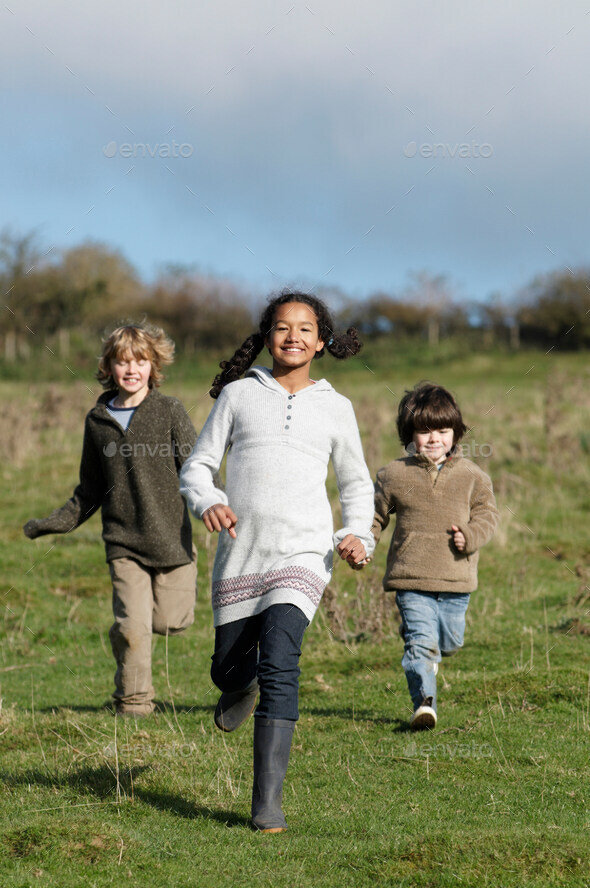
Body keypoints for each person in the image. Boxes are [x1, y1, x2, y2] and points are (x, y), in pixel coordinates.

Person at [179, 291, 374, 832]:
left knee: (281, 661)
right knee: (227, 669)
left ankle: (266, 804)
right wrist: (210, 499)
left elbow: (356, 485)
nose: (294, 337)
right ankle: (237, 685)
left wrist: (358, 534)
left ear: (323, 340)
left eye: (306, 328)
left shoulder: (337, 407)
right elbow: (197, 467)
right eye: (283, 328)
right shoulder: (239, 396)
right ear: (267, 336)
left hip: (305, 553)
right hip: (241, 556)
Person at [23, 323, 198, 717]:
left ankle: (151, 621)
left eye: (140, 361)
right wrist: (55, 522)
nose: (131, 369)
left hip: (173, 541)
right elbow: (89, 489)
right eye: (122, 362)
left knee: (170, 623)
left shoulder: (169, 411)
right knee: (132, 629)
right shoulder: (97, 420)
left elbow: (197, 469)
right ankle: (134, 704)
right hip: (123, 543)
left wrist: (219, 506)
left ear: (154, 366)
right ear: (109, 367)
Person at [372, 382, 498, 731]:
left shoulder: (473, 476)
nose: (434, 439)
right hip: (411, 579)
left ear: (456, 432)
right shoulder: (392, 474)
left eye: (442, 430)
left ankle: (422, 642)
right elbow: (376, 518)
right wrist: (363, 542)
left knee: (450, 643)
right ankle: (424, 705)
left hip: (457, 581)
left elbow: (488, 516)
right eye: (424, 431)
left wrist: (470, 536)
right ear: (409, 434)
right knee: (421, 647)